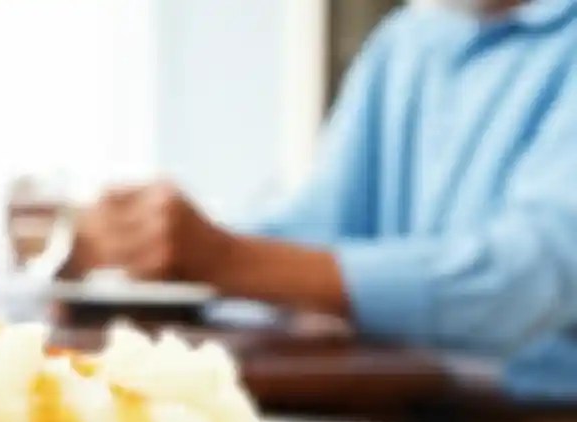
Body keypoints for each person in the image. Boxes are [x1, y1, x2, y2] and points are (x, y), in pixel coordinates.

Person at [73, 0, 577, 401]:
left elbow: (528, 278)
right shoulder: (408, 40)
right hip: (408, 406)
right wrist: (143, 248)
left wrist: (223, 259)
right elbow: (313, 231)